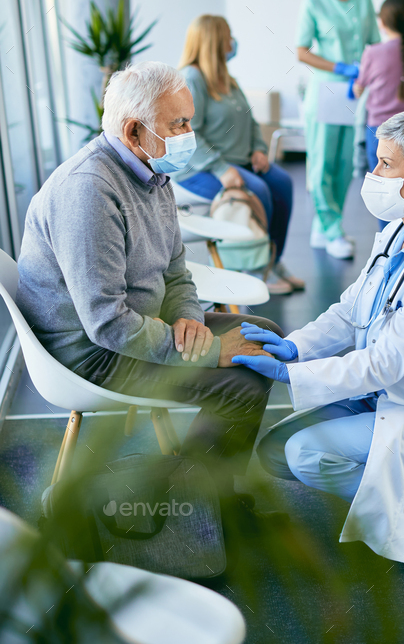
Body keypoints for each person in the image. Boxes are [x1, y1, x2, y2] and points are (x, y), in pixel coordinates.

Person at [16, 61, 285, 523]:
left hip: (143, 321)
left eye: (189, 120)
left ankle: (200, 491)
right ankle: (179, 499)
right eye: (178, 123)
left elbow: (176, 268)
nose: (189, 133)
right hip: (90, 353)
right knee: (240, 378)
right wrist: (206, 353)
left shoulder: (151, 171)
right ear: (134, 131)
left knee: (260, 337)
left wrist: (190, 321)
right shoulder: (89, 192)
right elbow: (106, 325)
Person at [232, 109, 404, 566]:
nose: (373, 176)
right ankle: (386, 490)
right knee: (275, 453)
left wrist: (294, 374)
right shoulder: (393, 233)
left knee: (303, 453)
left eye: (386, 164)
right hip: (381, 396)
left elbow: (386, 362)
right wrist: (296, 345)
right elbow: (351, 310)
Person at [174, 15, 304, 295]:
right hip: (200, 169)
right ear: (214, 41)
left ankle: (273, 260)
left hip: (238, 160)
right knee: (257, 190)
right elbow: (189, 132)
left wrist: (258, 148)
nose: (233, 42)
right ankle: (258, 271)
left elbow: (250, 119)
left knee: (281, 183)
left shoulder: (226, 78)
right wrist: (221, 169)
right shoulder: (192, 78)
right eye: (228, 35)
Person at [296, 0, 380, 260]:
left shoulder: (363, 1)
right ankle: (332, 230)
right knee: (321, 164)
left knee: (345, 163)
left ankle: (327, 222)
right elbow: (302, 51)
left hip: (354, 91)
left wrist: (364, 74)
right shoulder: (314, 3)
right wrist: (339, 67)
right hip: (328, 90)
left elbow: (374, 45)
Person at [354, 0, 404, 175]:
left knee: (379, 182)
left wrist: (356, 86)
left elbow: (360, 88)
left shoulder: (372, 52)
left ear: (382, 22)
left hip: (379, 130)